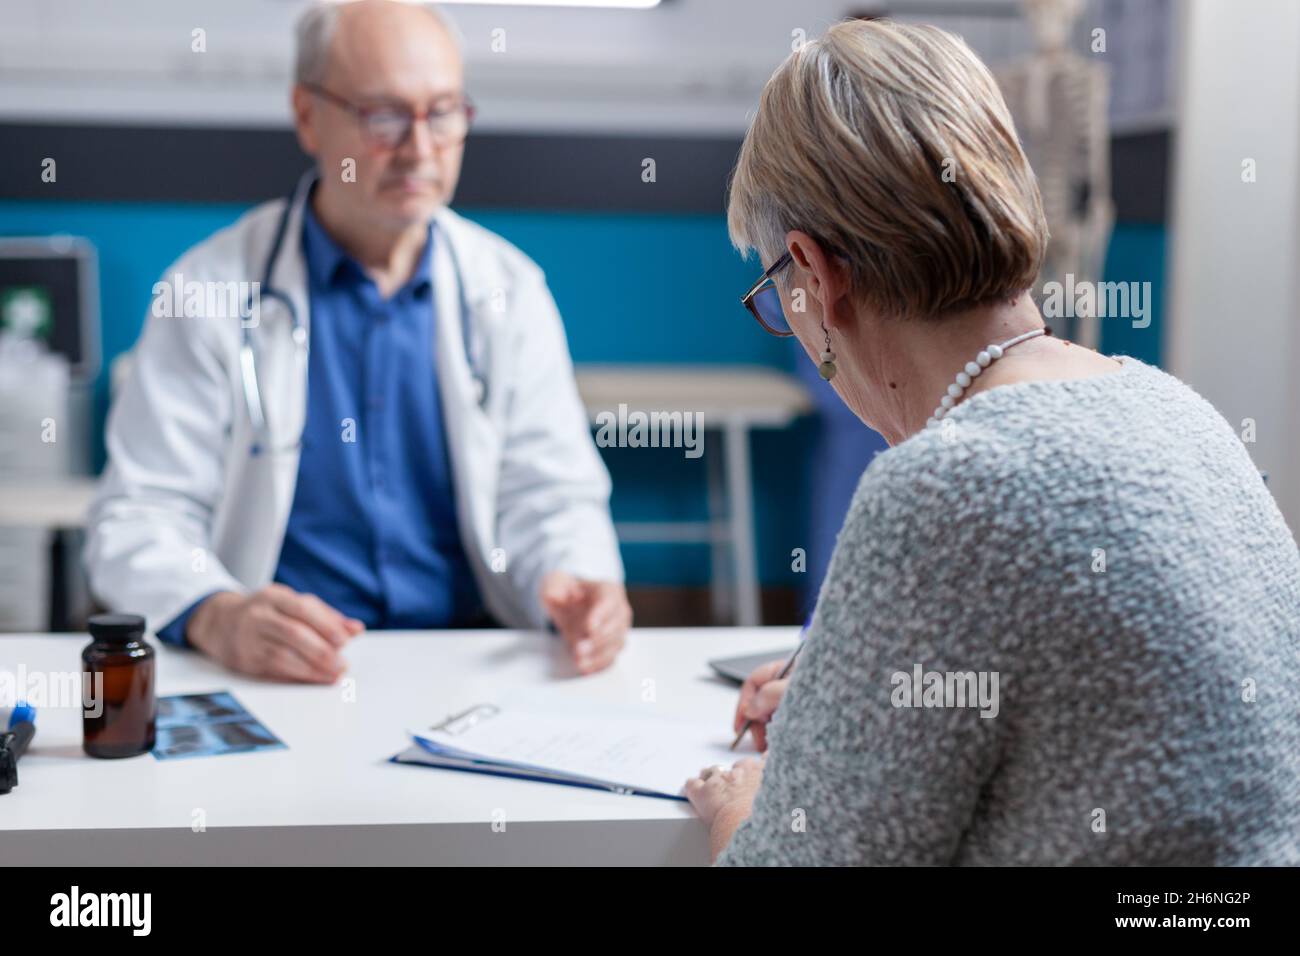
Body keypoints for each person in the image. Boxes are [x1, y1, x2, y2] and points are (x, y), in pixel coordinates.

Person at [684, 18, 1300, 865]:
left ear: (816, 274)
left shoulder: (945, 486)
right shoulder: (1180, 412)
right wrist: (861, 714)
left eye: (776, 291)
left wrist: (745, 810)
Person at [84, 0, 631, 683]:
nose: (420, 147)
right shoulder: (208, 291)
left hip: (471, 668)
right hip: (285, 676)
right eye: (383, 115)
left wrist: (575, 585)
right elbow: (139, 517)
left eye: (443, 112)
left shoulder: (509, 290)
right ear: (308, 115)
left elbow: (551, 497)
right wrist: (217, 612)